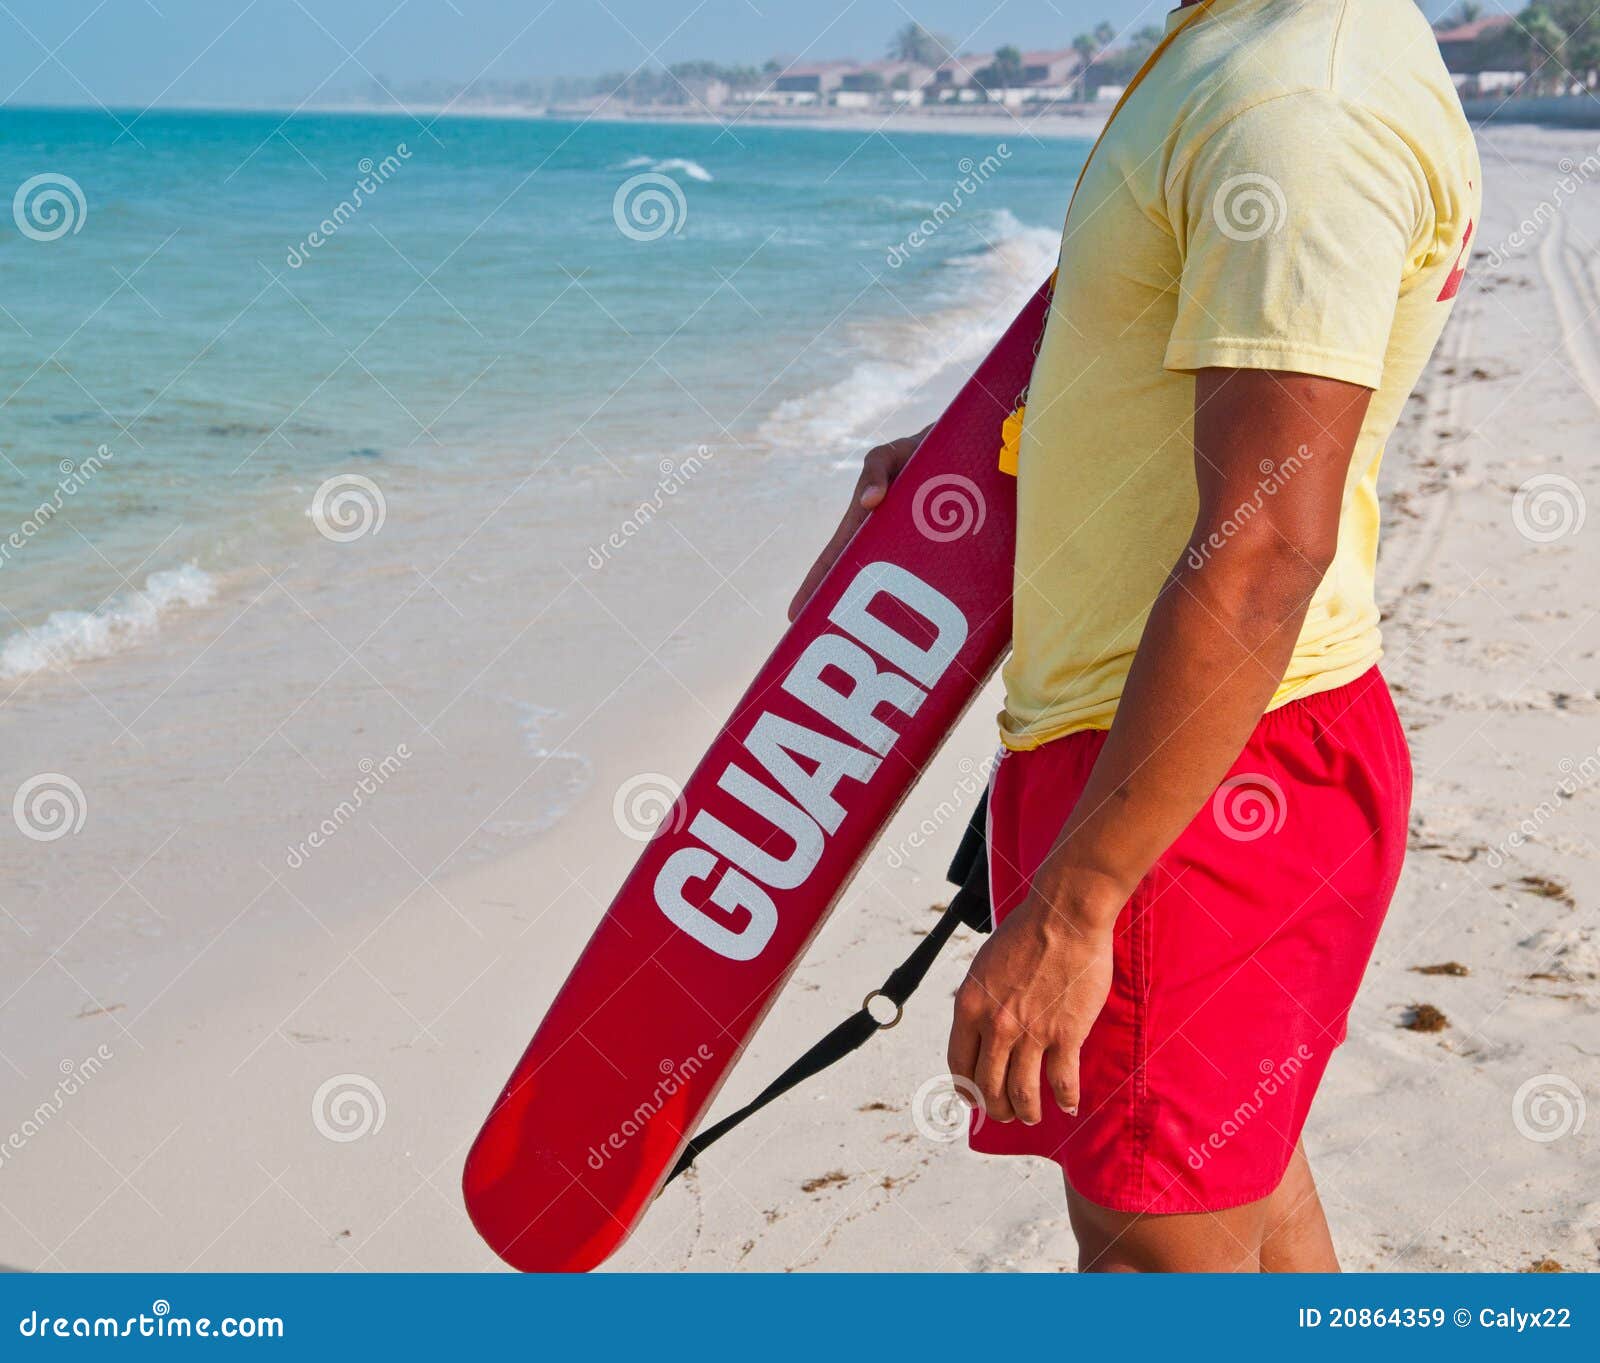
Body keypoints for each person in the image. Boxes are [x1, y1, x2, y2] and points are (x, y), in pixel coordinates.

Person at [790, 0, 1479, 1272]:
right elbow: (1150, 336)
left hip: (1196, 780)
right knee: (1243, 1204)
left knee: (1149, 1257)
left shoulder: (1299, 100)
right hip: (1200, 745)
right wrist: (962, 462)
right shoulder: (1246, 41)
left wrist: (1075, 901)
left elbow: (1270, 541)